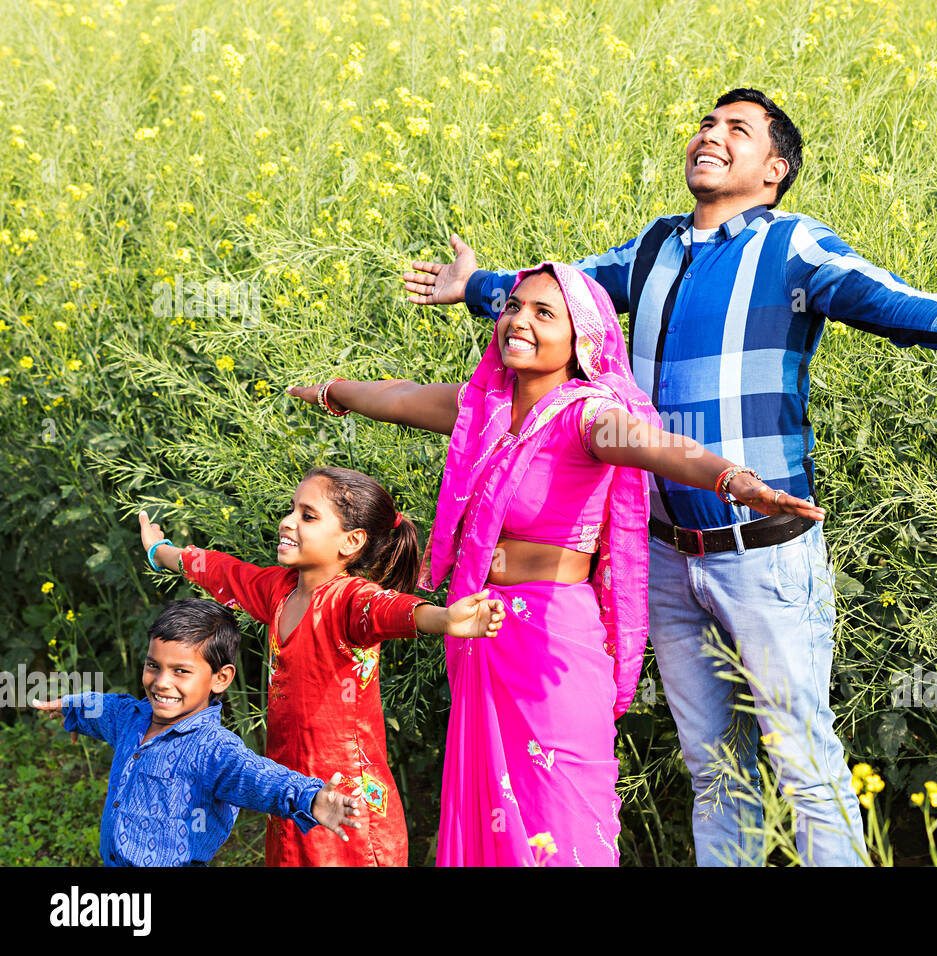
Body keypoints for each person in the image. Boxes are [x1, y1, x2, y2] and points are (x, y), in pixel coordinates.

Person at [401, 89, 937, 865]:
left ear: (774, 170)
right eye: (708, 123)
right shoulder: (652, 249)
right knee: (716, 773)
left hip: (764, 551)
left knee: (803, 762)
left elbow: (890, 302)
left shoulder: (792, 248)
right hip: (666, 557)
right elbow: (558, 294)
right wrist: (475, 288)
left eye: (737, 131)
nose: (710, 135)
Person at [288, 262, 819, 866]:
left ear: (583, 340)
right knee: (489, 814)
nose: (519, 320)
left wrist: (734, 481)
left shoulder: (586, 418)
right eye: (514, 306)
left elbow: (663, 449)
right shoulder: (483, 409)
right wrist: (333, 392)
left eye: (545, 313)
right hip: (480, 629)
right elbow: (402, 397)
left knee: (560, 813)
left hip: (552, 644)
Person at [136, 467, 504, 866]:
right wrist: (161, 552)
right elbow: (224, 571)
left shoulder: (349, 600)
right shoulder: (279, 591)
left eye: (307, 516)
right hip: (295, 795)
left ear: (351, 542)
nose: (287, 522)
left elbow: (390, 610)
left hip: (349, 809)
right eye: (292, 509)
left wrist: (445, 619)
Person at [32, 598, 364, 867]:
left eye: (181, 671)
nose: (162, 682)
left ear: (220, 678)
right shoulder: (132, 718)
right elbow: (103, 709)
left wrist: (310, 797)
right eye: (153, 665)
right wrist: (71, 707)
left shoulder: (214, 750)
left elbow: (259, 777)